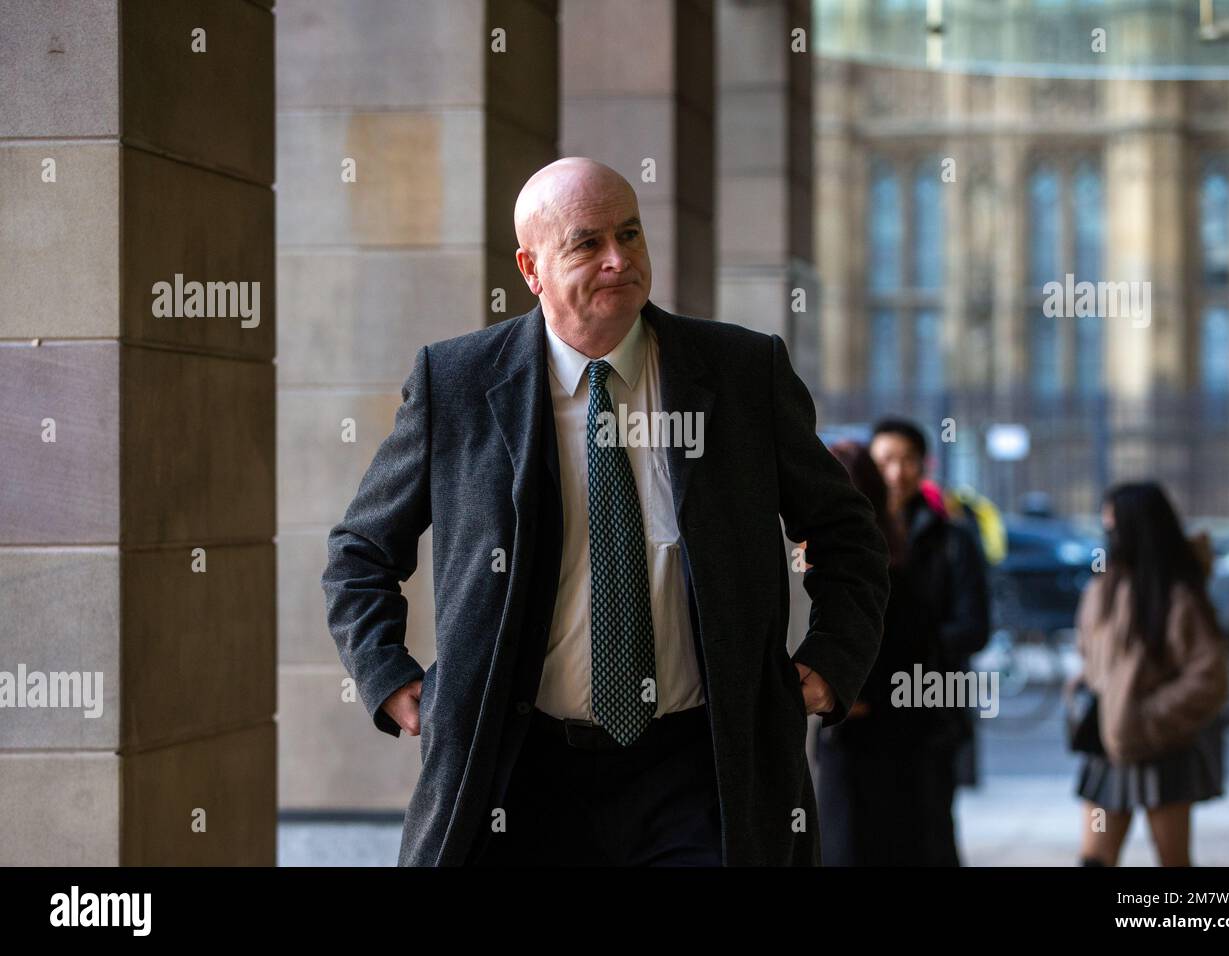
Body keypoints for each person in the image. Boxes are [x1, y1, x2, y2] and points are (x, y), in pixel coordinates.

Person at [320, 157, 890, 866]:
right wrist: (387, 675)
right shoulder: (459, 382)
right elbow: (360, 552)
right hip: (516, 774)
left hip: (700, 770)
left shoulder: (743, 373)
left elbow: (846, 532)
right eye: (587, 243)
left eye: (630, 234)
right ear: (531, 269)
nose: (619, 260)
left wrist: (834, 660)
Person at [814, 440, 963, 865]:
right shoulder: (885, 560)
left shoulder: (867, 571)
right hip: (876, 739)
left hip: (869, 742)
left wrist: (850, 690)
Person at [1073, 482, 1229, 867]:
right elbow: (1087, 655)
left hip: (1162, 747)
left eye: (1114, 526)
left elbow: (1209, 677)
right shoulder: (1102, 587)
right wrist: (1085, 690)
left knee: (1173, 860)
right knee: (1094, 860)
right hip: (1106, 745)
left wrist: (1149, 715)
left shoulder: (1178, 596)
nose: (1108, 536)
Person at [868, 418, 991, 852]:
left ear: (924, 465)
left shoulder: (953, 539)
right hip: (867, 718)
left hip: (929, 709)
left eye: (907, 461)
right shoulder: (856, 535)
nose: (896, 473)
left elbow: (975, 627)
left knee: (930, 834)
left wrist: (910, 649)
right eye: (885, 461)